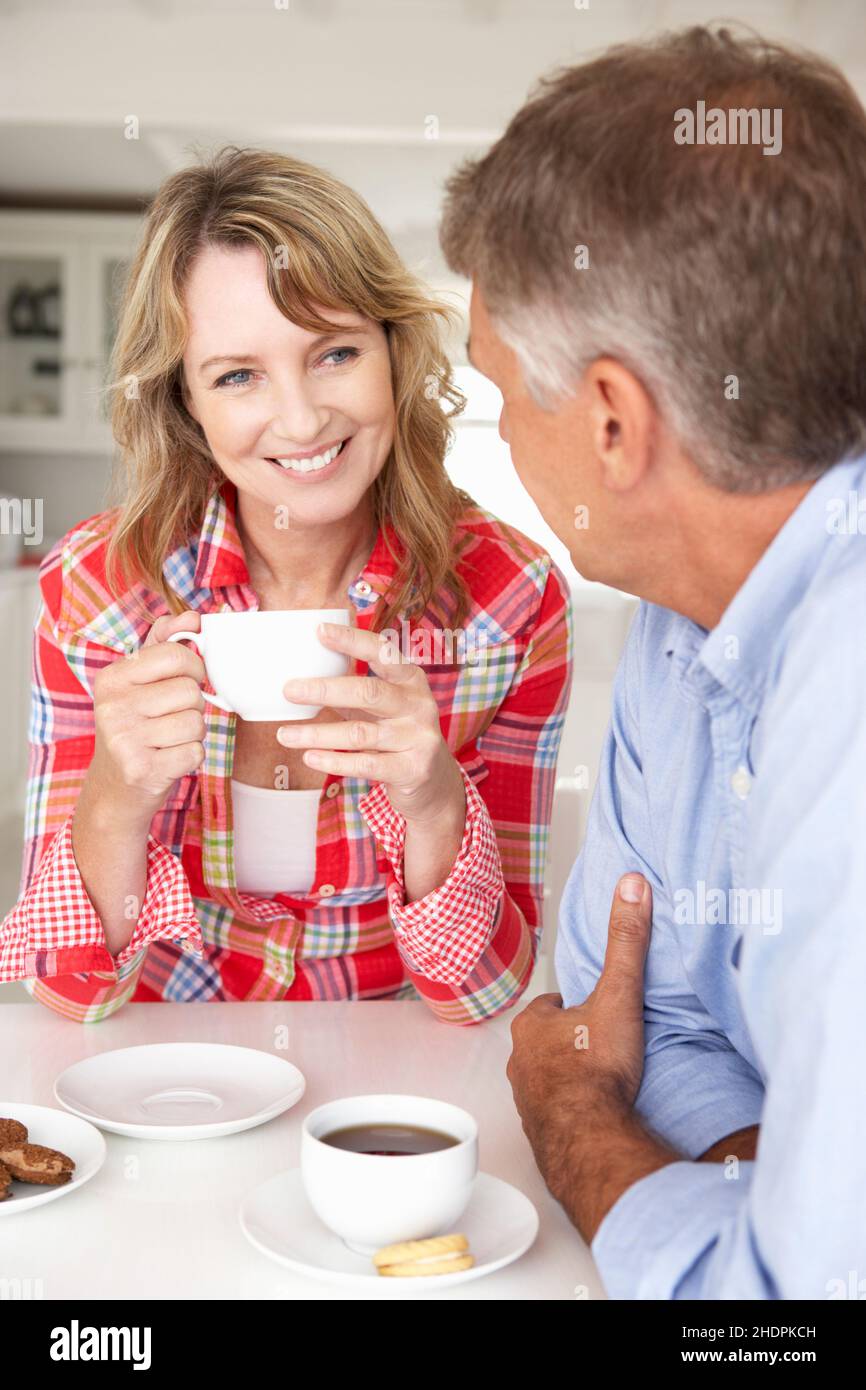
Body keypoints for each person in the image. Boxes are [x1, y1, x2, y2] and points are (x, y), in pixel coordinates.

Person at [439, 24, 866, 1295]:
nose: (502, 433)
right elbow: (642, 1011)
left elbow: (776, 1324)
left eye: (497, 392)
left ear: (614, 422)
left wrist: (579, 1130)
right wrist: (759, 1181)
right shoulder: (685, 613)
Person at [0, 147, 573, 1024]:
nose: (302, 419)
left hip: (384, 1098)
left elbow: (481, 995)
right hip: (163, 1085)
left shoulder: (510, 599)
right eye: (237, 375)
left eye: (335, 353)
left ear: (393, 350)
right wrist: (117, 793)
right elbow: (69, 993)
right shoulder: (96, 586)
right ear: (185, 403)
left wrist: (433, 801)